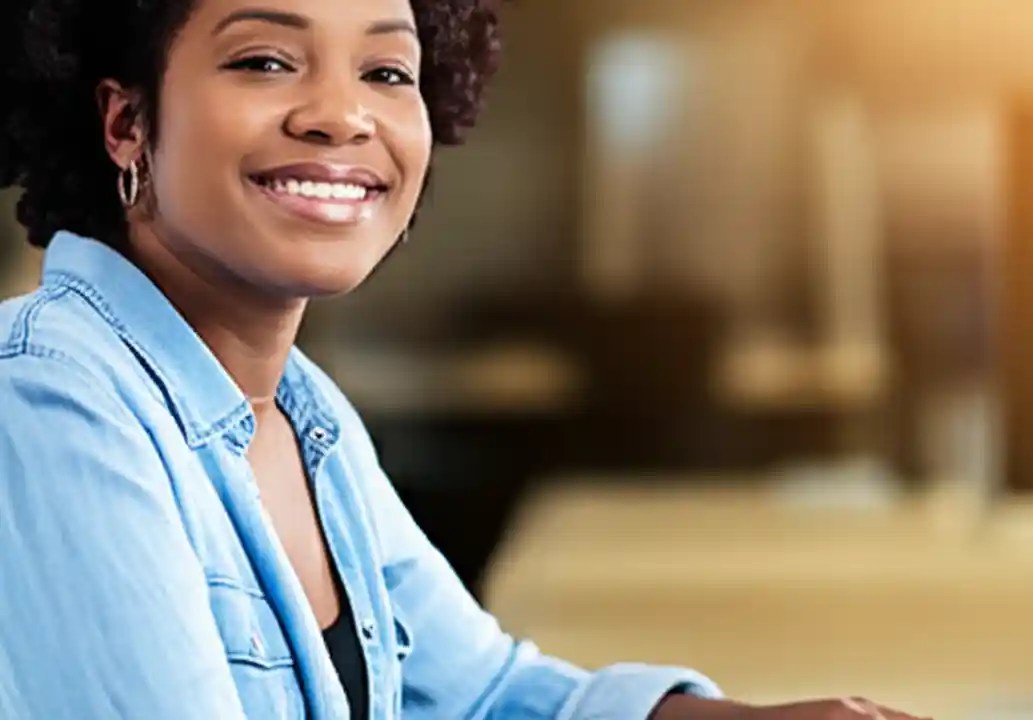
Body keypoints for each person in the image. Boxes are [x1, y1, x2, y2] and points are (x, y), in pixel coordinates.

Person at [0, 1, 929, 719]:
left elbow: (479, 694)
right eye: (265, 61)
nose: (341, 115)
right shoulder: (51, 399)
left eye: (386, 70)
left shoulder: (302, 417)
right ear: (126, 123)